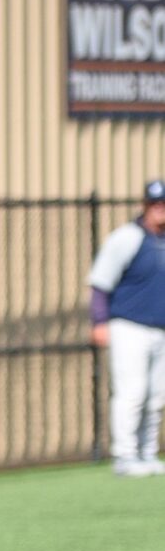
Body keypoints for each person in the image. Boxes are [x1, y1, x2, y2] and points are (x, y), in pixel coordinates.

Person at [89, 179, 165, 477]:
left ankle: (147, 453)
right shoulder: (127, 238)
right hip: (129, 326)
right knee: (132, 392)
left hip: (161, 328)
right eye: (154, 204)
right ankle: (125, 456)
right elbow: (100, 283)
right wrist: (98, 321)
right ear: (145, 206)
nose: (159, 209)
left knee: (157, 395)